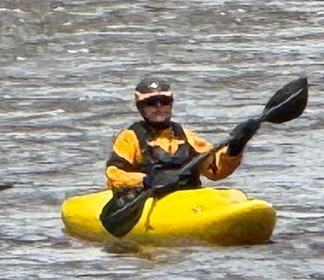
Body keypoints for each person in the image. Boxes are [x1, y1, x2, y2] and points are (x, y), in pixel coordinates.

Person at [106, 75, 257, 194]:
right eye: (151, 102)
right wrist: (146, 181)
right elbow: (113, 174)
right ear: (141, 107)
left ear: (171, 104)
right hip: (149, 199)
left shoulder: (187, 136)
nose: (159, 107)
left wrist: (236, 147)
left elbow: (215, 171)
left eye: (164, 101)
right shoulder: (130, 137)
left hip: (186, 198)